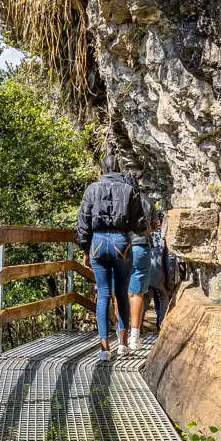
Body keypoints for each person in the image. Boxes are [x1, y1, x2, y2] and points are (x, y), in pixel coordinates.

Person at [74, 152, 148, 360]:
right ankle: (123, 344)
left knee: (104, 294)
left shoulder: (92, 190)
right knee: (122, 293)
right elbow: (140, 225)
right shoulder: (129, 190)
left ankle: (104, 348)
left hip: (97, 242)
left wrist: (85, 249)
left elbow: (83, 222)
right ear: (118, 168)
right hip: (120, 242)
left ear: (102, 170)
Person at [129, 209, 176, 346]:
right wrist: (171, 278)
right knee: (163, 295)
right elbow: (170, 258)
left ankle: (137, 327)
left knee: (143, 296)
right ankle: (161, 325)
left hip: (142, 271)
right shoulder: (162, 237)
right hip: (157, 273)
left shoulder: (141, 235)